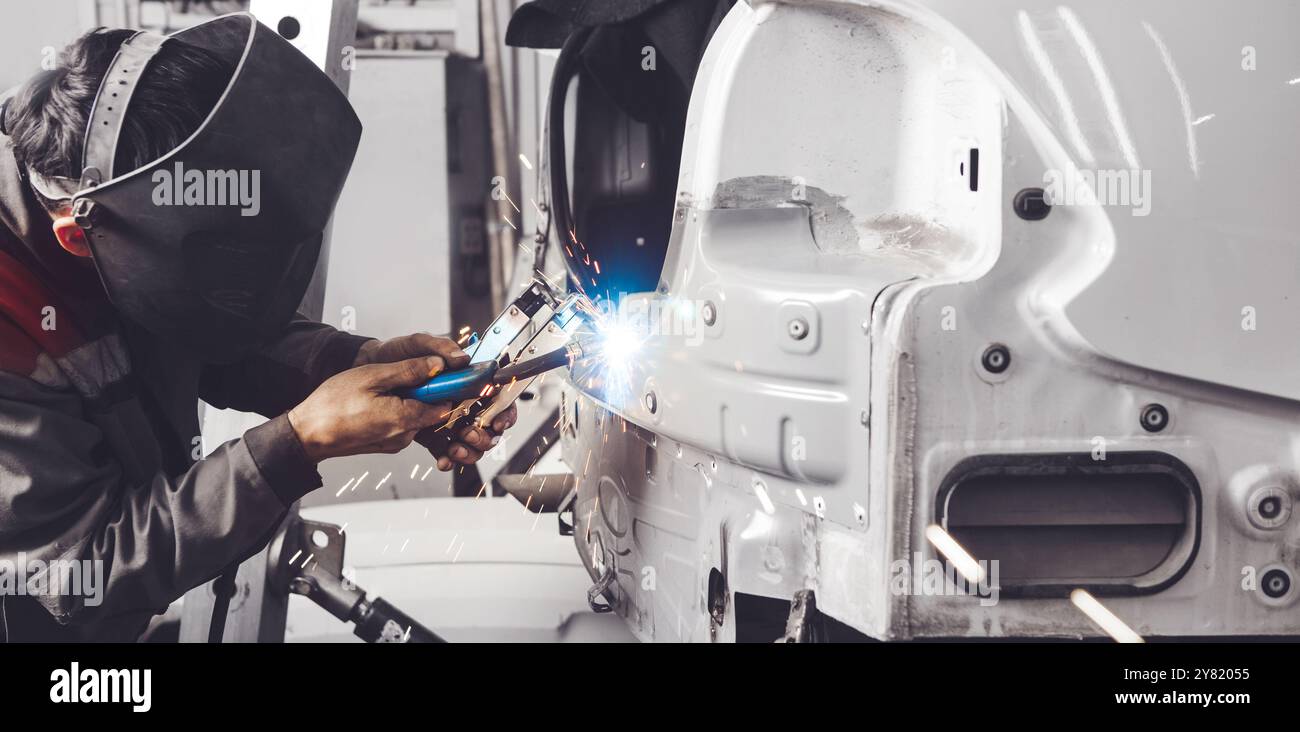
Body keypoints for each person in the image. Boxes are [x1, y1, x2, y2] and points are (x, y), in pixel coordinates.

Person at [0, 16, 516, 641]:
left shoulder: (123, 224)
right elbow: (78, 571)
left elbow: (206, 331)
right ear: (77, 236)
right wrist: (297, 443)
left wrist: (358, 363)